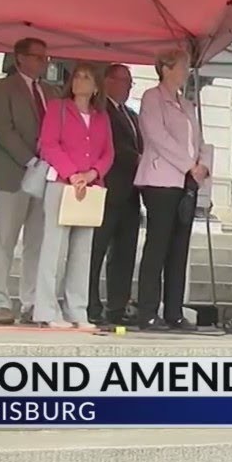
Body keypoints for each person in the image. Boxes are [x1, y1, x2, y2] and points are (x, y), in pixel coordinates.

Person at [0, 37, 53, 325]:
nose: (43, 62)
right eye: (37, 56)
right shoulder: (3, 86)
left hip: (45, 175)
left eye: (46, 57)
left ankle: (31, 301)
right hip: (14, 172)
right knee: (5, 239)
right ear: (20, 57)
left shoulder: (50, 90)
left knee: (37, 240)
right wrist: (31, 158)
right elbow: (2, 127)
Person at [34, 64, 113, 329]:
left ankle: (77, 309)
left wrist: (91, 175)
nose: (80, 81)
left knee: (82, 251)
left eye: (87, 77)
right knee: (53, 249)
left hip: (90, 188)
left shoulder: (101, 116)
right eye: (77, 76)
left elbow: (108, 153)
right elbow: (48, 144)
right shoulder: (58, 108)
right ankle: (47, 309)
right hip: (61, 184)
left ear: (96, 87)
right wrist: (72, 174)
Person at [134, 49, 207, 331]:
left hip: (186, 182)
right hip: (160, 180)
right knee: (158, 245)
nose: (187, 71)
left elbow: (199, 140)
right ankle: (148, 311)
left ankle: (174, 311)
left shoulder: (186, 104)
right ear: (165, 68)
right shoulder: (153, 98)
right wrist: (189, 164)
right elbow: (157, 136)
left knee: (179, 248)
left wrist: (203, 165)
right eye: (183, 66)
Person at [89, 64, 144, 325]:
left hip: (132, 195)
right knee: (96, 250)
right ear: (108, 81)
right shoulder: (102, 111)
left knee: (124, 253)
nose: (129, 86)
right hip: (108, 190)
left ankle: (117, 307)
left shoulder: (132, 116)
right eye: (125, 81)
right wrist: (141, 159)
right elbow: (116, 147)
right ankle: (90, 306)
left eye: (131, 82)